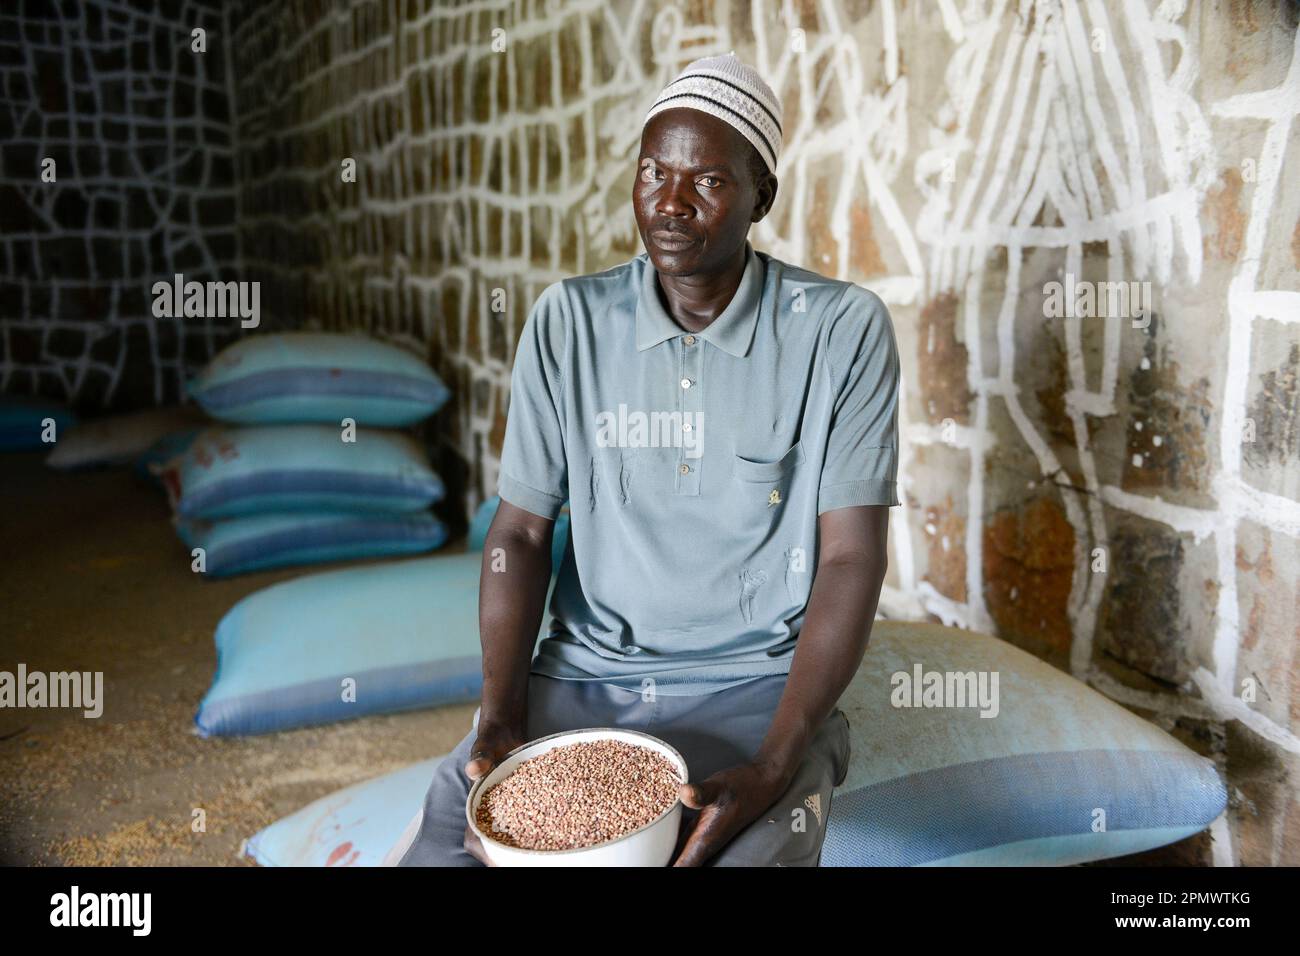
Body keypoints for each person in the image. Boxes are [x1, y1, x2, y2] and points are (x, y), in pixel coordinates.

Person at [393, 53, 900, 867]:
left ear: (760, 197)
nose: (669, 203)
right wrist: (498, 715)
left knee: (732, 852)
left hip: (756, 687)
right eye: (652, 173)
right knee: (456, 842)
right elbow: (519, 535)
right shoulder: (569, 323)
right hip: (582, 681)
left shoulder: (839, 330)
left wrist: (776, 764)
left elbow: (850, 557)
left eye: (706, 182)